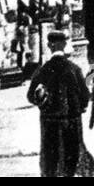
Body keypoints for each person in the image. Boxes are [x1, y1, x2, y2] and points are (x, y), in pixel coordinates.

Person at [26, 29, 89, 177]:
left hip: (50, 121)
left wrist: (42, 101)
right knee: (71, 157)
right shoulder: (75, 69)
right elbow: (85, 96)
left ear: (49, 46)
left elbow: (30, 96)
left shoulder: (43, 70)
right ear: (65, 45)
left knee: (50, 159)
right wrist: (80, 107)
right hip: (72, 120)